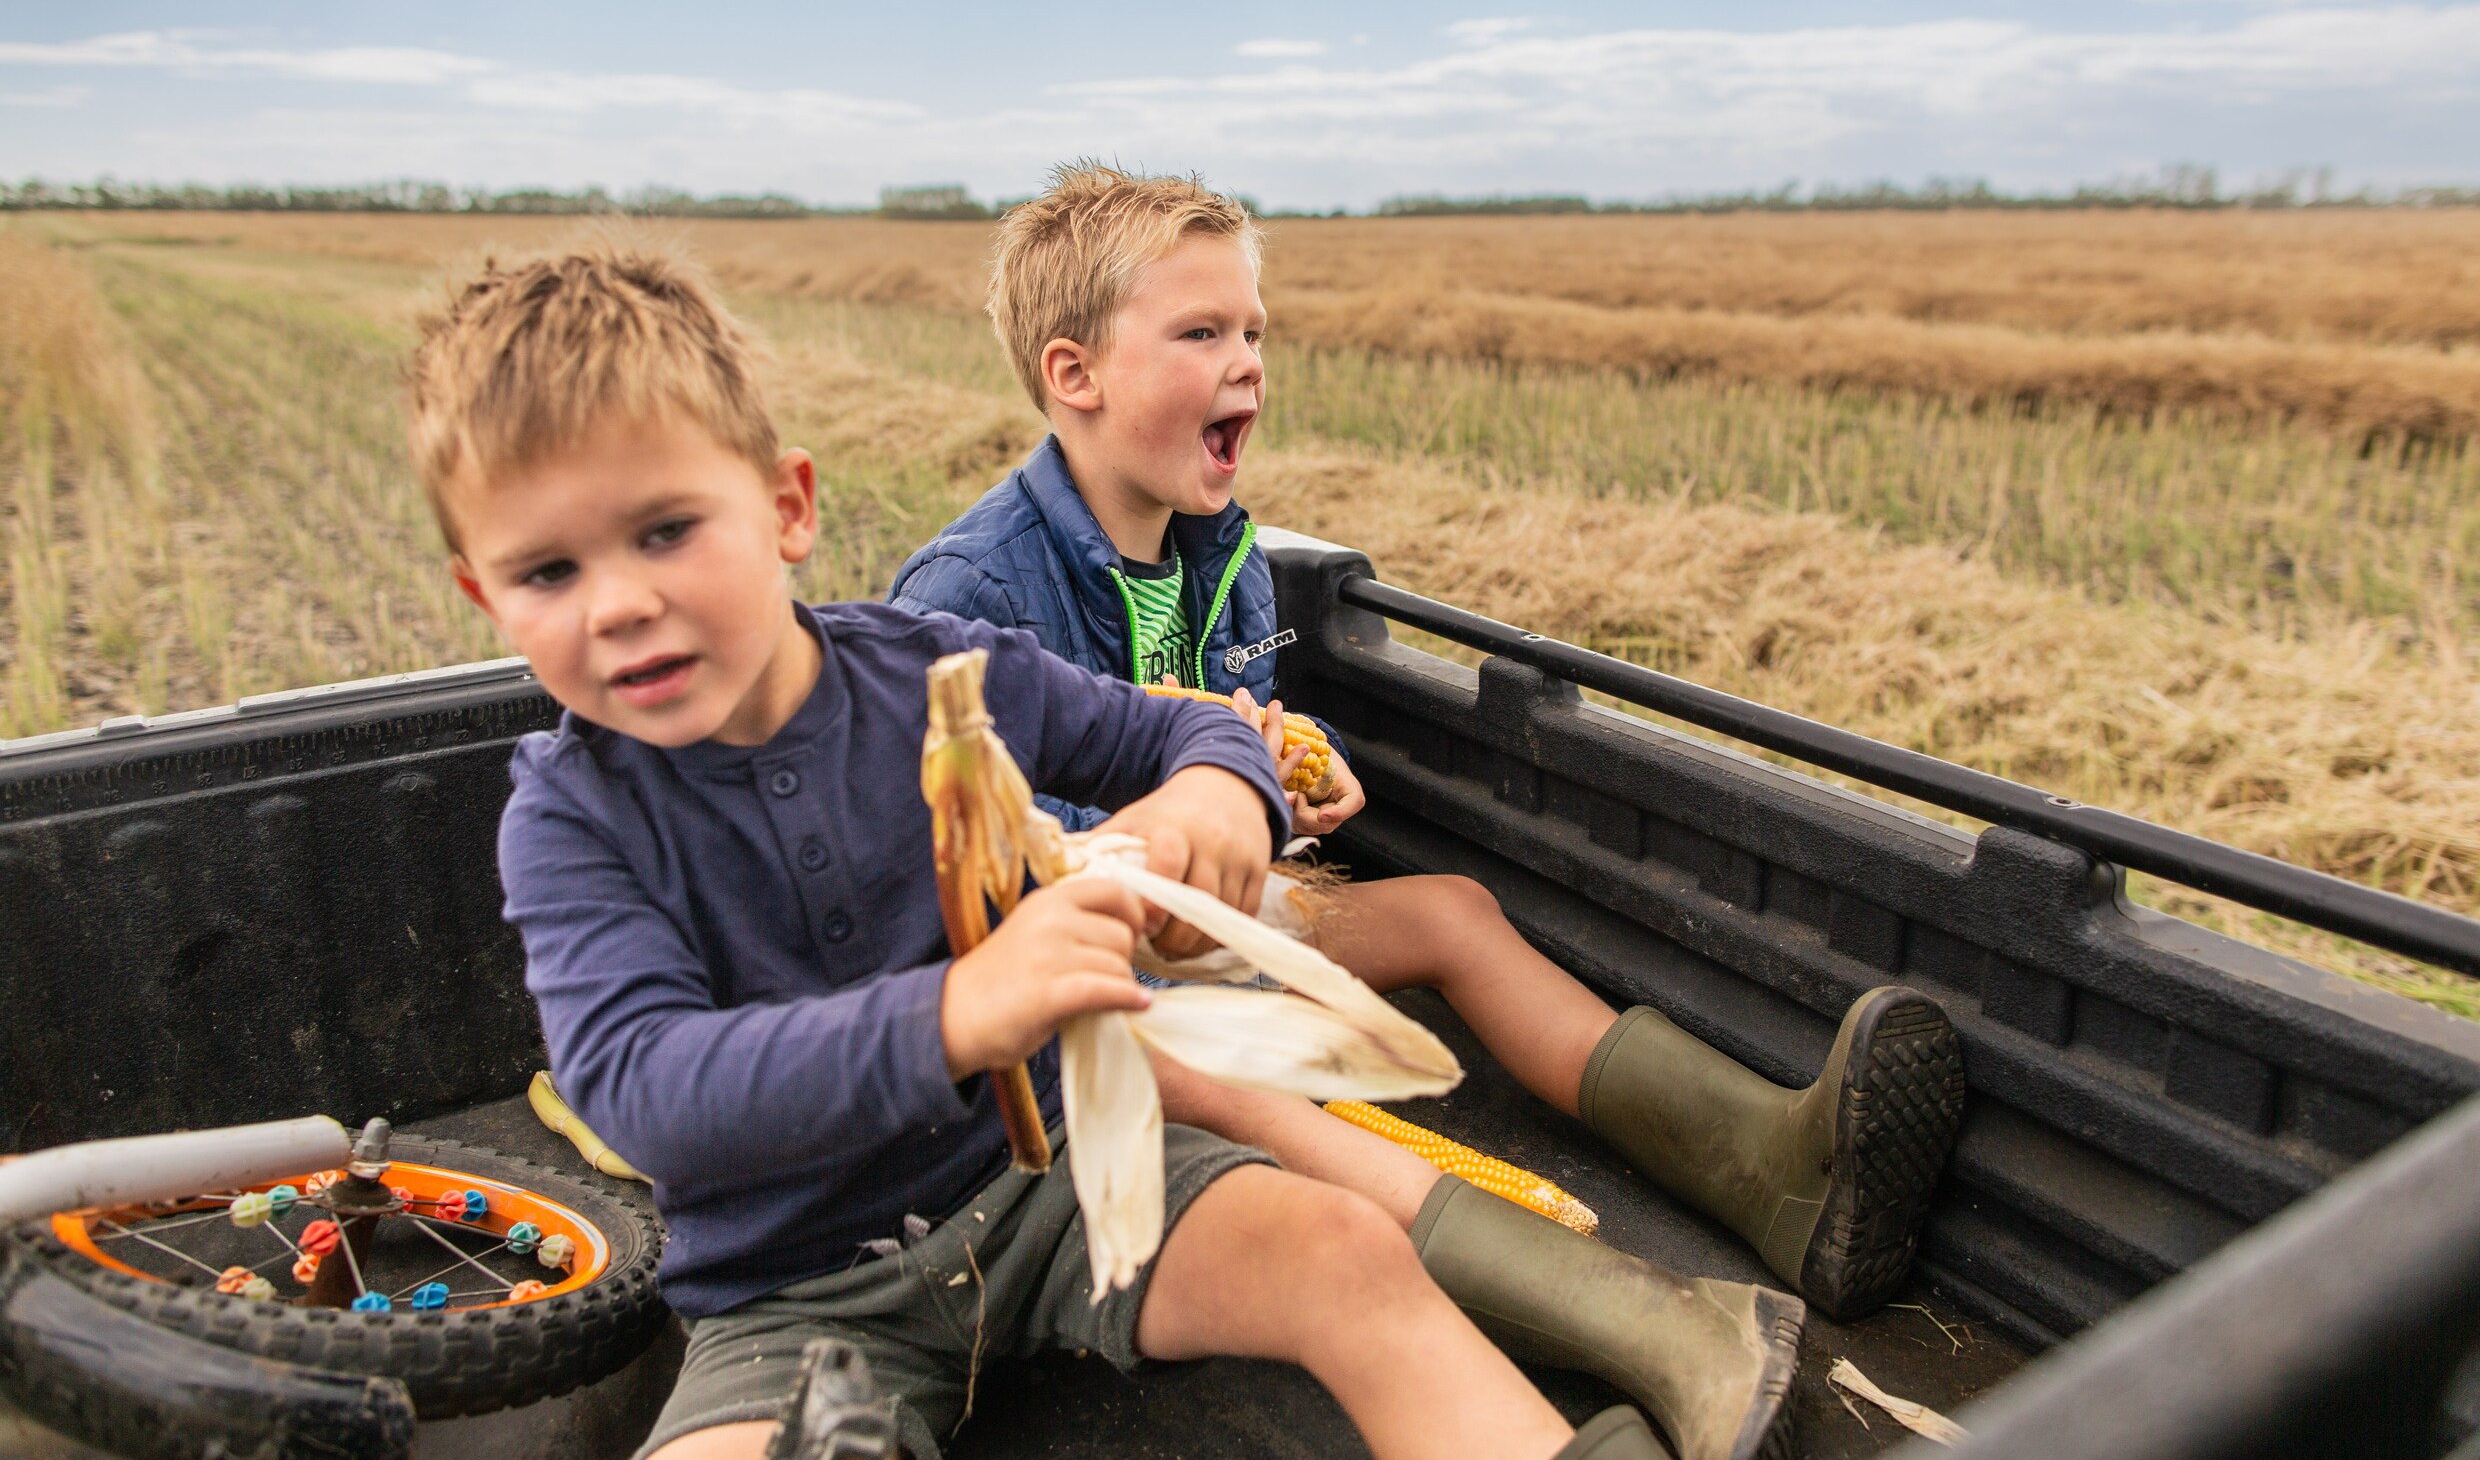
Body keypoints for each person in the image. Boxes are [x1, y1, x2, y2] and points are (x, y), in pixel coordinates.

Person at [407, 241, 1673, 1460]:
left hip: (1055, 1182)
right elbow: (646, 1091)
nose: (618, 601)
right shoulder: (569, 821)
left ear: (787, 507)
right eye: (549, 571)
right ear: (483, 594)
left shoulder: (933, 673)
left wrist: (1222, 798)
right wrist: (959, 1010)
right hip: (791, 1303)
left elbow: (1162, 734)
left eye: (666, 531)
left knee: (1343, 1252)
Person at [891, 163, 1970, 1460]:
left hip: (1231, 915)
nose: (1246, 365)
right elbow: (965, 864)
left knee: (1455, 912)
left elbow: (1254, 722)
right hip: (1084, 989)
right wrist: (1177, 832)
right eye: (1201, 333)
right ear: (1076, 376)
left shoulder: (1215, 547)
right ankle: (1666, 1325)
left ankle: (1773, 1165)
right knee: (1253, 1098)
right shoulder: (968, 593)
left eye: (1253, 333)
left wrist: (1307, 767)